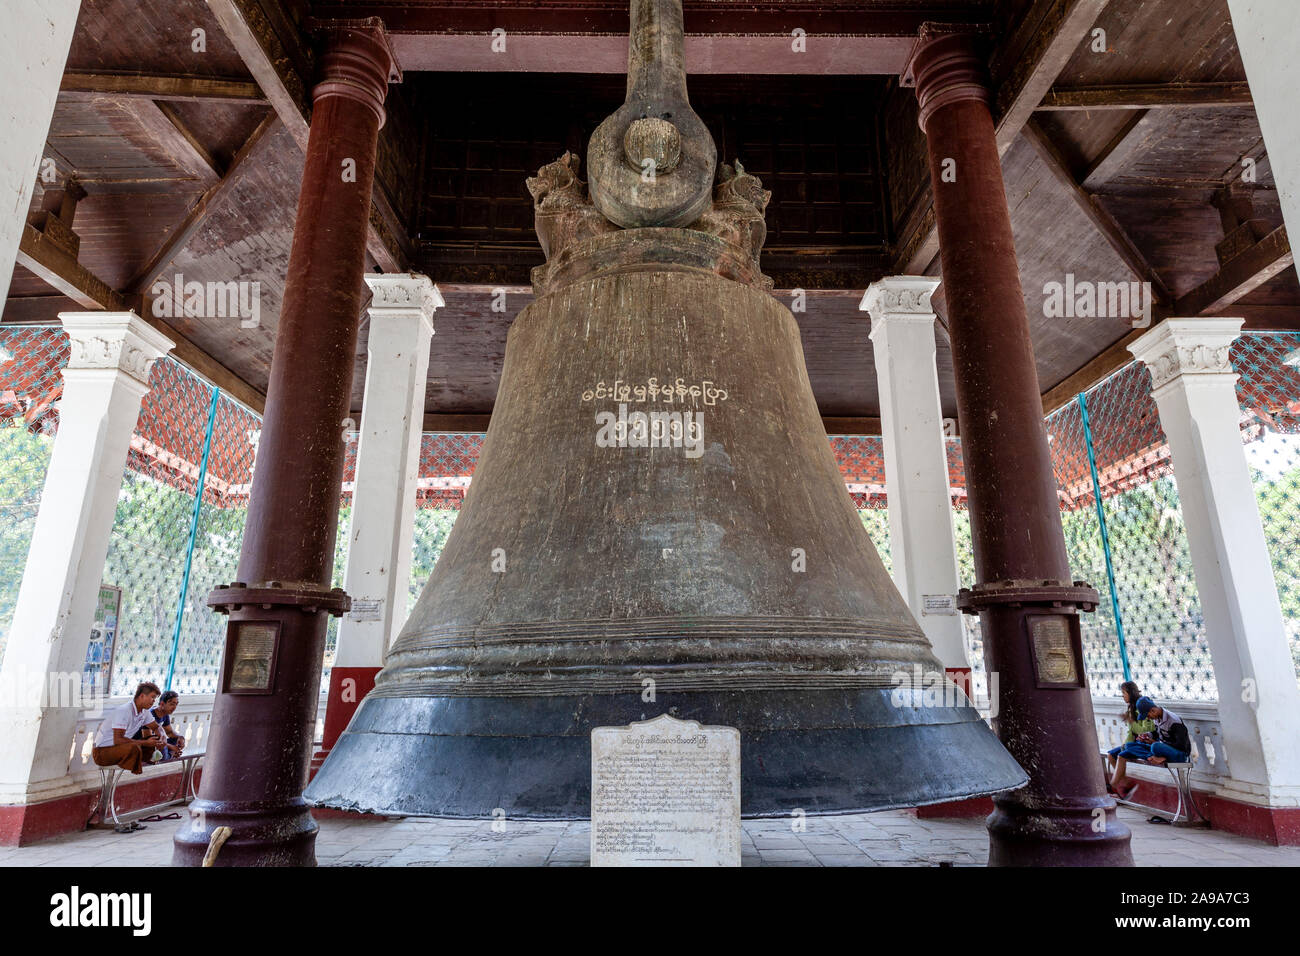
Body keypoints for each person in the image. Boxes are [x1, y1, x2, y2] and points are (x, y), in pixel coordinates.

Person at [91, 682, 166, 775]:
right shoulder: (124, 710)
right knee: (134, 747)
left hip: (120, 748)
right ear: (142, 696)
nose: (154, 701)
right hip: (102, 752)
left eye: (155, 698)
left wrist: (163, 736)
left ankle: (146, 757)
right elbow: (118, 740)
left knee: (154, 740)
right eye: (152, 697)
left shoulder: (144, 712)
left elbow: (156, 727)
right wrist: (145, 743)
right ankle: (140, 761)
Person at [1107, 681, 1155, 799]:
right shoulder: (1131, 707)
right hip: (1134, 743)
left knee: (1121, 756)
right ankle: (1127, 785)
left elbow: (1144, 731)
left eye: (1124, 693)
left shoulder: (1141, 706)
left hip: (1144, 743)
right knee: (1110, 755)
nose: (1122, 696)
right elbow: (1131, 732)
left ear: (1130, 693)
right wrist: (1125, 744)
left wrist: (1130, 721)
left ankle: (1112, 785)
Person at [1137, 697, 1192, 767]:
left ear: (1153, 710)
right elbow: (1157, 733)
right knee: (1131, 745)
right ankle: (1157, 758)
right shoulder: (1156, 718)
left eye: (1148, 716)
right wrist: (1147, 735)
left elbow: (1182, 745)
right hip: (1164, 750)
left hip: (1180, 754)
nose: (1148, 718)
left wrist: (1156, 743)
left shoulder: (1173, 721)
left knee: (1155, 746)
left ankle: (1159, 758)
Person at [133, 690, 185, 761]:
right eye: (172, 704)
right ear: (162, 704)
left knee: (176, 740)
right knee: (162, 750)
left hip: (157, 743)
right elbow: (149, 739)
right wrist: (171, 747)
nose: (174, 707)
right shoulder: (150, 715)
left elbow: (170, 733)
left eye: (176, 704)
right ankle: (170, 755)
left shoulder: (165, 715)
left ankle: (170, 754)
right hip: (142, 745)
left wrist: (181, 738)